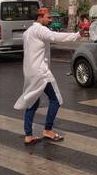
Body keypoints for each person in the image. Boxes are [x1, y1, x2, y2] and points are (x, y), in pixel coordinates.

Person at [14, 7, 83, 144]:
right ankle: (48, 130)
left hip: (29, 71)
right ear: (40, 18)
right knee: (56, 100)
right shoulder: (40, 29)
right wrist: (77, 35)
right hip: (42, 72)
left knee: (33, 101)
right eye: (48, 17)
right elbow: (55, 36)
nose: (50, 19)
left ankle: (28, 135)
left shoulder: (27, 32)